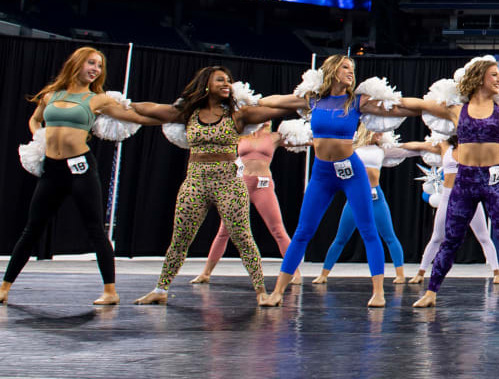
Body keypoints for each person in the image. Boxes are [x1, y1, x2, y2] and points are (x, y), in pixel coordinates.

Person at [1, 47, 159, 306]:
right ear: (76, 63)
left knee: (95, 229)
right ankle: (5, 287)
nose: (96, 69)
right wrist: (39, 138)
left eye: (99, 66)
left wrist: (168, 118)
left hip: (81, 168)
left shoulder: (96, 100)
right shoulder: (51, 95)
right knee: (32, 229)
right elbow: (35, 120)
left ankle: (110, 291)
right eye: (91, 63)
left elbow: (134, 116)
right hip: (52, 170)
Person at [400, 58, 499, 309]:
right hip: (464, 180)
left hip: (494, 180)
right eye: (494, 75)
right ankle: (431, 291)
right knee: (451, 238)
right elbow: (418, 104)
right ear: (479, 78)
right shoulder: (456, 110)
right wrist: (381, 102)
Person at [256, 55, 414, 307]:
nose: (351, 72)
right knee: (302, 232)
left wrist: (432, 107)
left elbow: (399, 106)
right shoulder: (314, 99)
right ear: (331, 70)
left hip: (352, 171)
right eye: (345, 67)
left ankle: (378, 292)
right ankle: (277, 292)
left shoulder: (357, 101)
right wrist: (250, 101)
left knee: (368, 230)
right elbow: (276, 101)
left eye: (353, 68)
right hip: (322, 173)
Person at [131, 66, 294, 305]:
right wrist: (117, 105)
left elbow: (275, 108)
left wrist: (306, 101)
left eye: (229, 80)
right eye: (220, 80)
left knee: (243, 237)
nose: (227, 83)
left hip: (229, 183)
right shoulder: (188, 112)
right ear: (206, 84)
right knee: (180, 239)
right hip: (195, 182)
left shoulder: (238, 114)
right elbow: (153, 110)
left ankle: (261, 292)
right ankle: (160, 290)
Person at [314, 127, 434, 284]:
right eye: (377, 131)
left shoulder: (383, 149)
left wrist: (428, 146)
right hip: (355, 197)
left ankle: (400, 274)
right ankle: (323, 275)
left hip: (375, 197)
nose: (380, 134)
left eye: (381, 132)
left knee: (389, 236)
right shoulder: (352, 148)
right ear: (367, 130)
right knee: (341, 238)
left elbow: (407, 149)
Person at [191, 123, 298, 285]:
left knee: (278, 230)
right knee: (223, 231)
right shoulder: (241, 134)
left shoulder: (275, 137)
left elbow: (304, 141)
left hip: (263, 186)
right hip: (240, 185)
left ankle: (295, 273)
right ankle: (206, 273)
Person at [409, 137, 499, 285]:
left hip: (469, 195)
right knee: (437, 237)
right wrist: (396, 145)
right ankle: (421, 272)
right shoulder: (443, 144)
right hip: (448, 196)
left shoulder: (473, 145)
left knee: (483, 236)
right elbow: (419, 145)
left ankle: (497, 273)